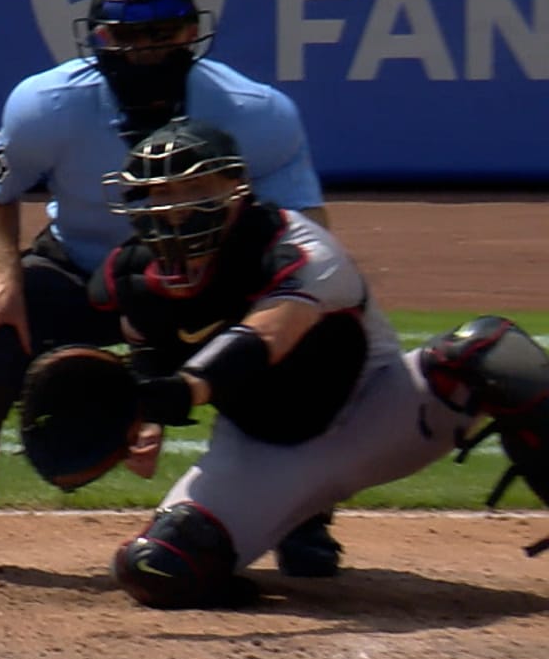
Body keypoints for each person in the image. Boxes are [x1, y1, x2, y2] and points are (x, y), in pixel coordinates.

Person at [0, 0, 340, 579]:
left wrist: (269, 312)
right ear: (99, 39)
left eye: (161, 35)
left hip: (209, 280)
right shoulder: (46, 104)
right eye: (126, 37)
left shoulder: (255, 112)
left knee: (301, 341)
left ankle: (301, 521)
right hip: (81, 269)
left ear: (191, 33)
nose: (144, 52)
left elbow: (307, 229)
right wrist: (4, 281)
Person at [82, 119, 549, 608]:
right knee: (158, 569)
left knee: (489, 349)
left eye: (195, 186)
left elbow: (268, 333)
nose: (174, 208)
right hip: (260, 450)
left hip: (383, 413)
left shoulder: (297, 248)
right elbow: (150, 347)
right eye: (160, 193)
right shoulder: (129, 277)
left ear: (235, 188)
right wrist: (146, 418)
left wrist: (186, 388)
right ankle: (286, 522)